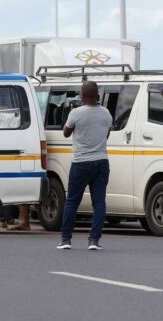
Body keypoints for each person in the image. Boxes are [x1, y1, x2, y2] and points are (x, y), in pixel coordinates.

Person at [57, 81, 112, 251]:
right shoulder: (106, 113)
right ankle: (94, 240)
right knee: (99, 203)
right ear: (97, 96)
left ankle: (66, 239)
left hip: (80, 163)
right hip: (101, 162)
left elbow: (66, 133)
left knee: (72, 201)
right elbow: (106, 134)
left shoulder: (75, 113)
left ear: (81, 95)